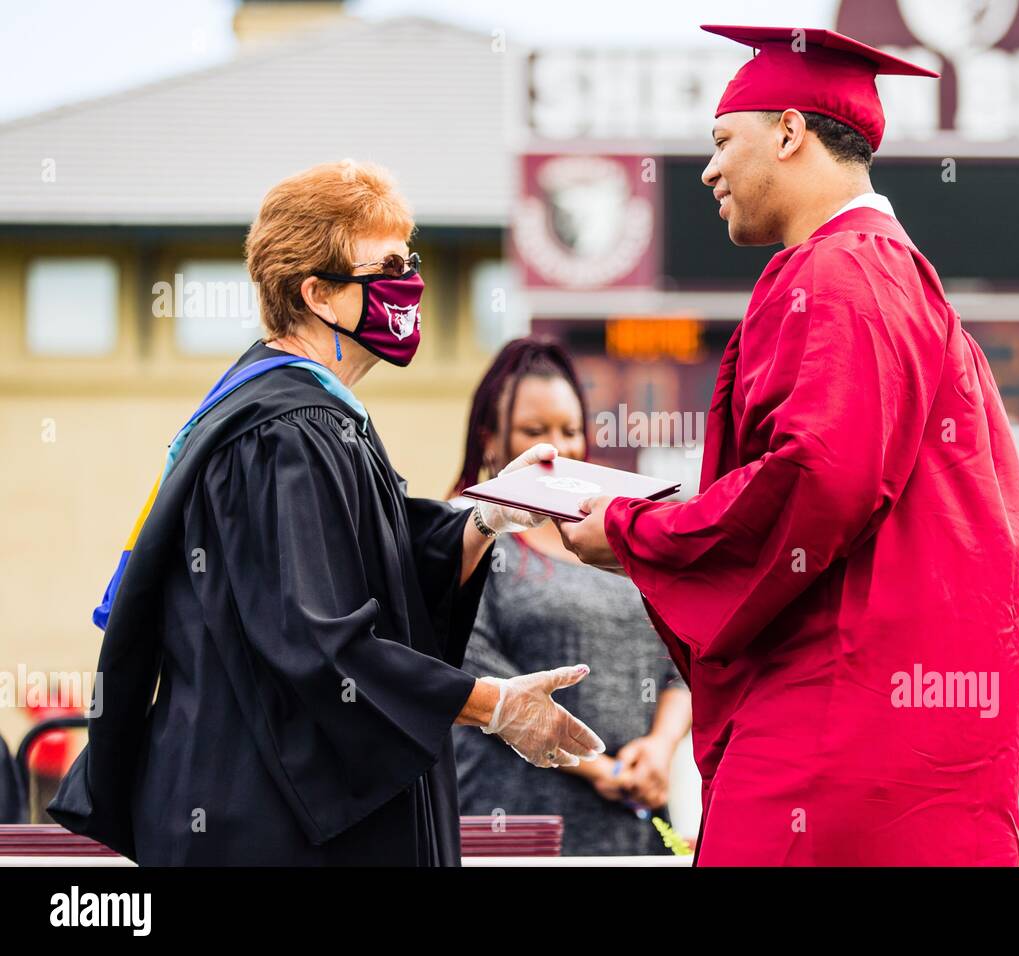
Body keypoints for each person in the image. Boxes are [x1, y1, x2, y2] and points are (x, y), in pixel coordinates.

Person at [558, 25, 1019, 865]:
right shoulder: (898, 274)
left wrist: (634, 532)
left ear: (788, 131)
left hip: (835, 735)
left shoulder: (837, 271)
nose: (708, 170)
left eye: (720, 141)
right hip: (917, 751)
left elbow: (817, 480)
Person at [48, 160, 604, 865]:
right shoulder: (283, 431)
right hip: (264, 824)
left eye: (413, 260)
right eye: (390, 266)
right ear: (317, 294)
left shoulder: (303, 414)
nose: (412, 283)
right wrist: (490, 705)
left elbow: (386, 566)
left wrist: (488, 516)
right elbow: (315, 640)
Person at [449, 338, 691, 856]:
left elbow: (679, 660)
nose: (556, 448)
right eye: (535, 432)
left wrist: (660, 749)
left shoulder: (620, 541)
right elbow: (471, 668)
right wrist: (597, 766)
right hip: (516, 824)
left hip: (632, 823)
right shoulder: (472, 540)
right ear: (492, 442)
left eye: (570, 430)